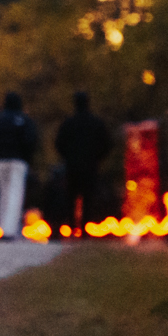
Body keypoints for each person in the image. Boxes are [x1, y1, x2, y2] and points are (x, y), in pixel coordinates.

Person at [0, 90, 39, 240]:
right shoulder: (23, 119)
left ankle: (3, 227)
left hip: (0, 161)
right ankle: (10, 229)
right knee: (15, 193)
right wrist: (27, 158)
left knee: (3, 193)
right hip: (18, 161)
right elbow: (30, 141)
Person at [56, 91, 111, 231]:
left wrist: (67, 157)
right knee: (88, 198)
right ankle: (85, 228)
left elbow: (59, 143)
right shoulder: (96, 123)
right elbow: (107, 143)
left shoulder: (68, 124)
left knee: (71, 197)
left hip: (72, 165)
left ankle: (73, 227)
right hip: (91, 165)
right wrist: (98, 157)